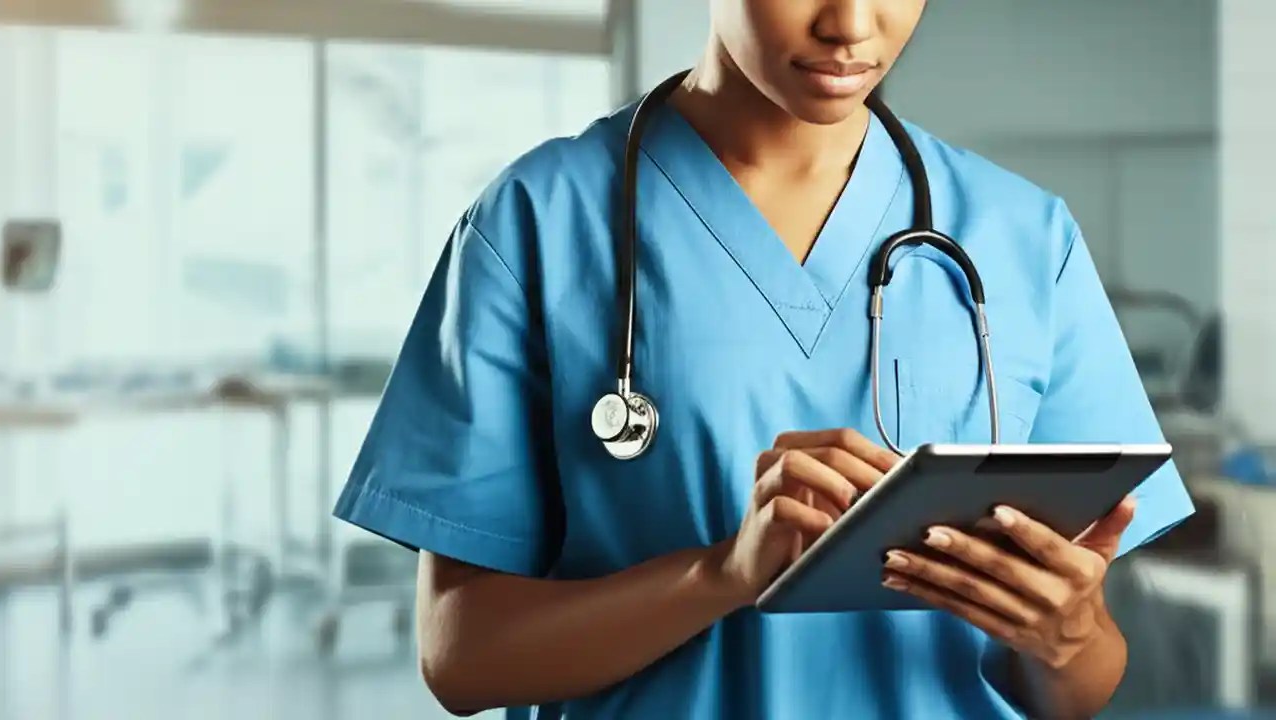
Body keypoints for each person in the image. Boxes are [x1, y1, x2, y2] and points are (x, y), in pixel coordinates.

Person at [332, 2, 1194, 718]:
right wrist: (721, 574)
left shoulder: (1023, 236)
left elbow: (1077, 686)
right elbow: (462, 658)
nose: (851, 24)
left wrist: (1068, 637)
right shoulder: (541, 222)